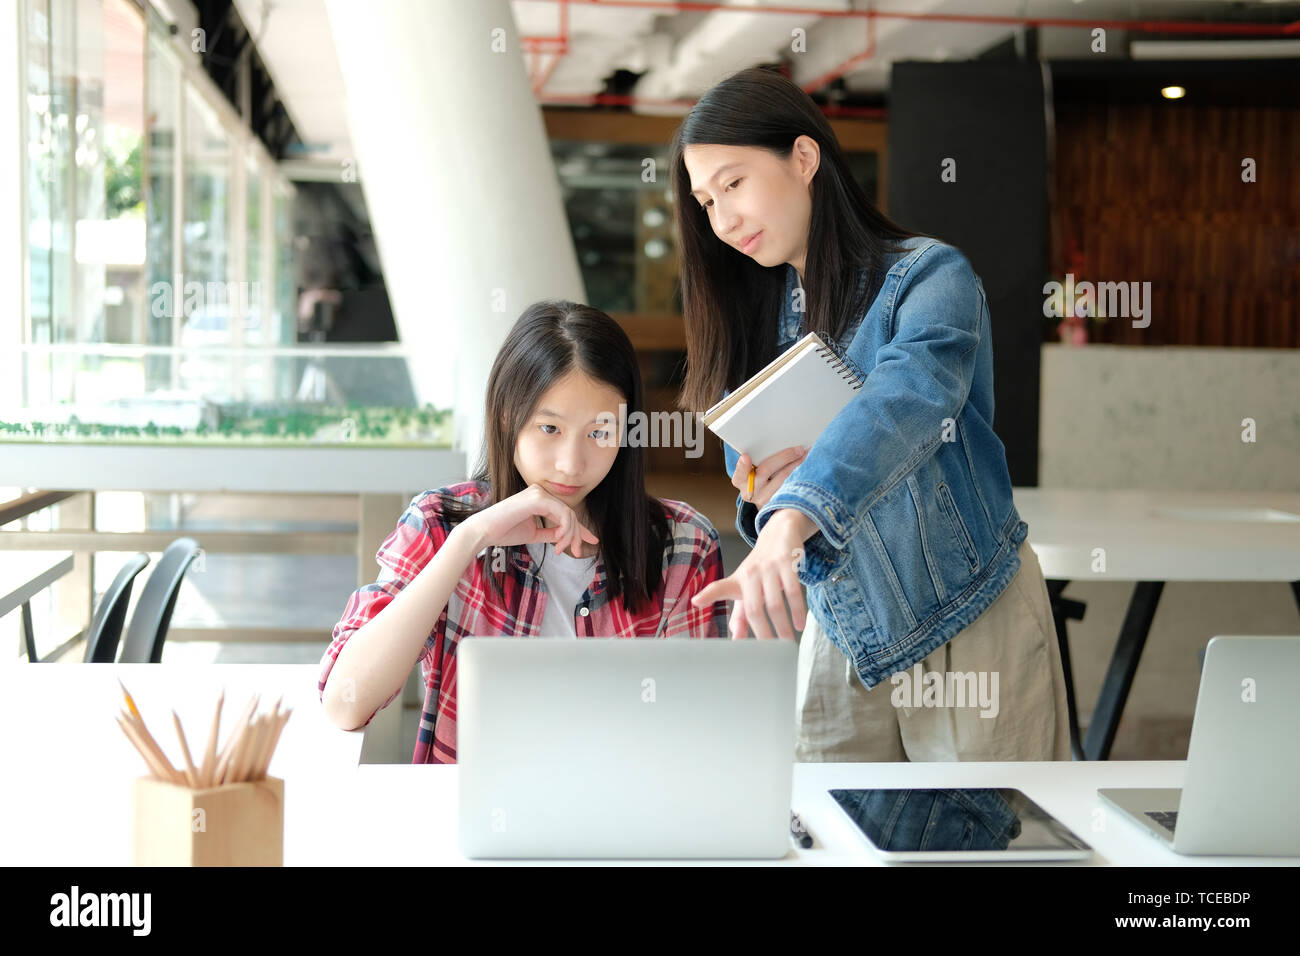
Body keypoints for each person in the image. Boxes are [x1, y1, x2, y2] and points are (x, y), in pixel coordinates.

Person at [673, 67, 1071, 764]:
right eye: (706, 200)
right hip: (843, 629)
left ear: (804, 157)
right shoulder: (759, 315)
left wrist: (791, 516)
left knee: (989, 839)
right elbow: (756, 475)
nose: (722, 218)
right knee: (834, 838)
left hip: (967, 612)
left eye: (733, 183)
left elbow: (909, 398)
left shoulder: (928, 275)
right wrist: (761, 492)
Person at [319, 301, 729, 762]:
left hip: (623, 820)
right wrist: (468, 541)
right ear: (505, 418)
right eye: (549, 428)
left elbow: (697, 735)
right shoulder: (442, 522)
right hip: (471, 819)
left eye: (600, 433)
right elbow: (345, 703)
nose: (571, 464)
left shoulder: (682, 545)